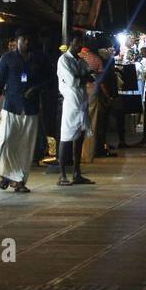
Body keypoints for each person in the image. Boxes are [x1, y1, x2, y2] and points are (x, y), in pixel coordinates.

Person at [0, 30, 48, 193]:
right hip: (11, 106)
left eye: (29, 39)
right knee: (5, 140)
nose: (27, 42)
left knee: (25, 147)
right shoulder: (7, 58)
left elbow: (49, 80)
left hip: (31, 109)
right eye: (24, 39)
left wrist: (36, 89)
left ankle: (19, 180)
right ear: (17, 41)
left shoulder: (38, 59)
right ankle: (6, 173)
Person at [56, 32, 94, 186]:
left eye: (82, 41)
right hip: (71, 103)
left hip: (82, 102)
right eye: (78, 41)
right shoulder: (64, 60)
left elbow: (86, 75)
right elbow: (73, 80)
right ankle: (62, 174)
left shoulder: (80, 60)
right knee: (66, 137)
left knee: (79, 137)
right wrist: (85, 76)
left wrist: (85, 76)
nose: (80, 44)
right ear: (71, 42)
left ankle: (77, 173)